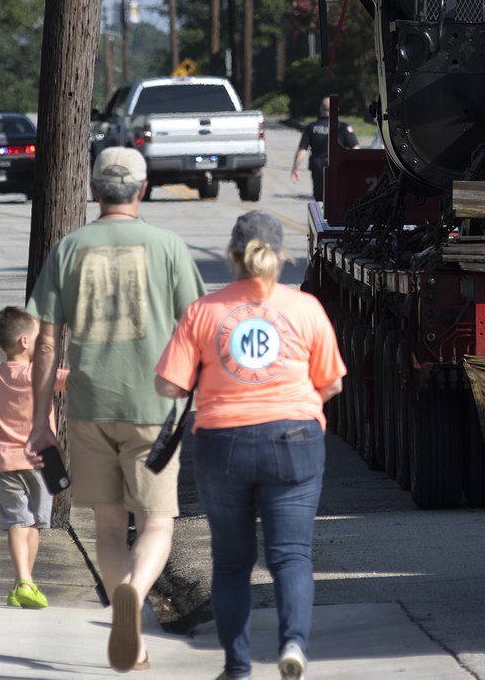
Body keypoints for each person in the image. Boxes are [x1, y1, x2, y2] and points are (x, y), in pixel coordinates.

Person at [28, 146, 202, 674]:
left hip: (88, 403)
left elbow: (44, 342)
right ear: (143, 190)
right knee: (157, 521)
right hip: (154, 404)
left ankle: (133, 625)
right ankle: (134, 589)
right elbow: (197, 327)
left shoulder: (69, 248)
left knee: (107, 523)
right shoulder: (168, 246)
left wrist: (41, 419)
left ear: (96, 190)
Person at [156, 211, 346, 680]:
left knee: (232, 562)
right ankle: (294, 646)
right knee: (292, 555)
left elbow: (168, 388)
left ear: (232, 256)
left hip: (223, 444)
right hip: (295, 440)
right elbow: (333, 383)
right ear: (281, 257)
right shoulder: (305, 309)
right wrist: (298, 405)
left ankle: (238, 667)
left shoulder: (204, 311)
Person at [0, 306, 69, 609]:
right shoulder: (39, 374)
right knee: (34, 524)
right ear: (23, 342)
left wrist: (3, 440)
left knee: (17, 521)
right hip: (42, 461)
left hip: (6, 460)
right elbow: (72, 380)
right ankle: (25, 581)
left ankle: (24, 581)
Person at [288, 96, 357, 203]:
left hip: (318, 169)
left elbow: (302, 150)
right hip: (338, 169)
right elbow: (355, 149)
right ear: (336, 110)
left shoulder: (311, 127)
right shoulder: (343, 127)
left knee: (320, 201)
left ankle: (322, 218)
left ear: (321, 109)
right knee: (338, 199)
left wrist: (295, 168)